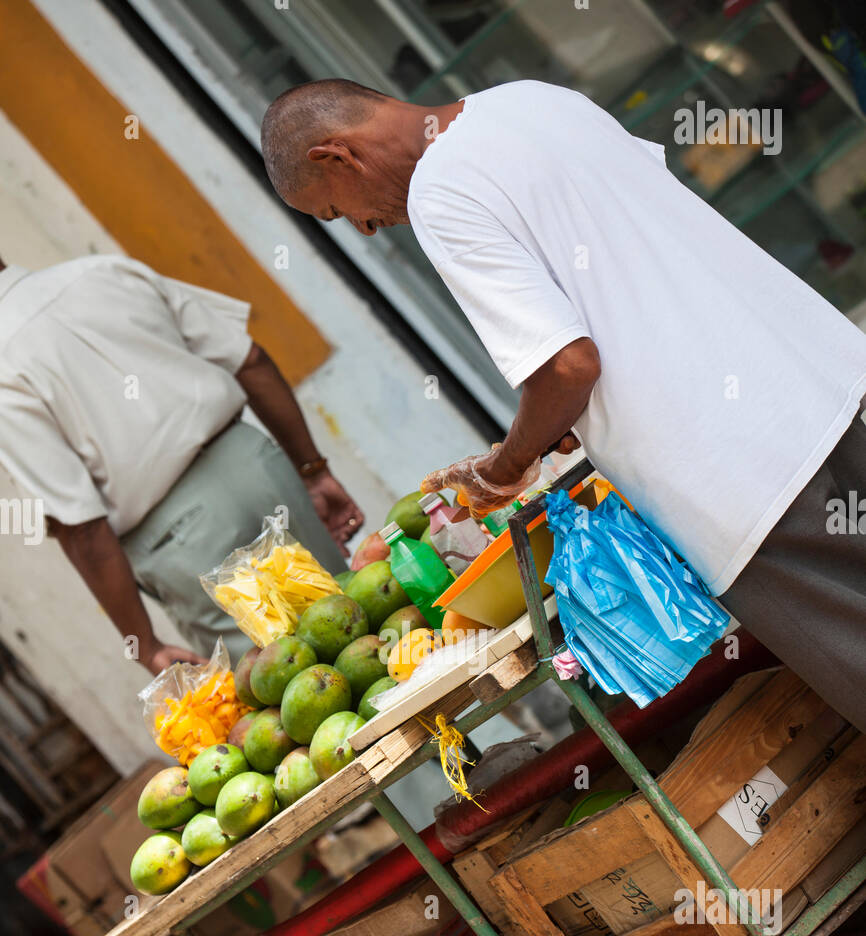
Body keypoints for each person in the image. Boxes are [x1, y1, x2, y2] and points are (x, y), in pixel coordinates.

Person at [260, 78, 866, 732]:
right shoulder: (532, 100)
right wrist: (580, 425)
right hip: (824, 382)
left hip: (744, 483)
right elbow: (633, 255)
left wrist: (505, 465)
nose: (367, 228)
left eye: (337, 210)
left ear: (335, 157)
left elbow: (567, 365)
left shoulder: (439, 194)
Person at [0, 253, 363, 671]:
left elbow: (81, 527)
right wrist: (312, 470)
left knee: (288, 687)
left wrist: (145, 644)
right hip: (259, 468)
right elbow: (251, 361)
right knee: (354, 626)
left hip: (181, 542)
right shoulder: (104, 271)